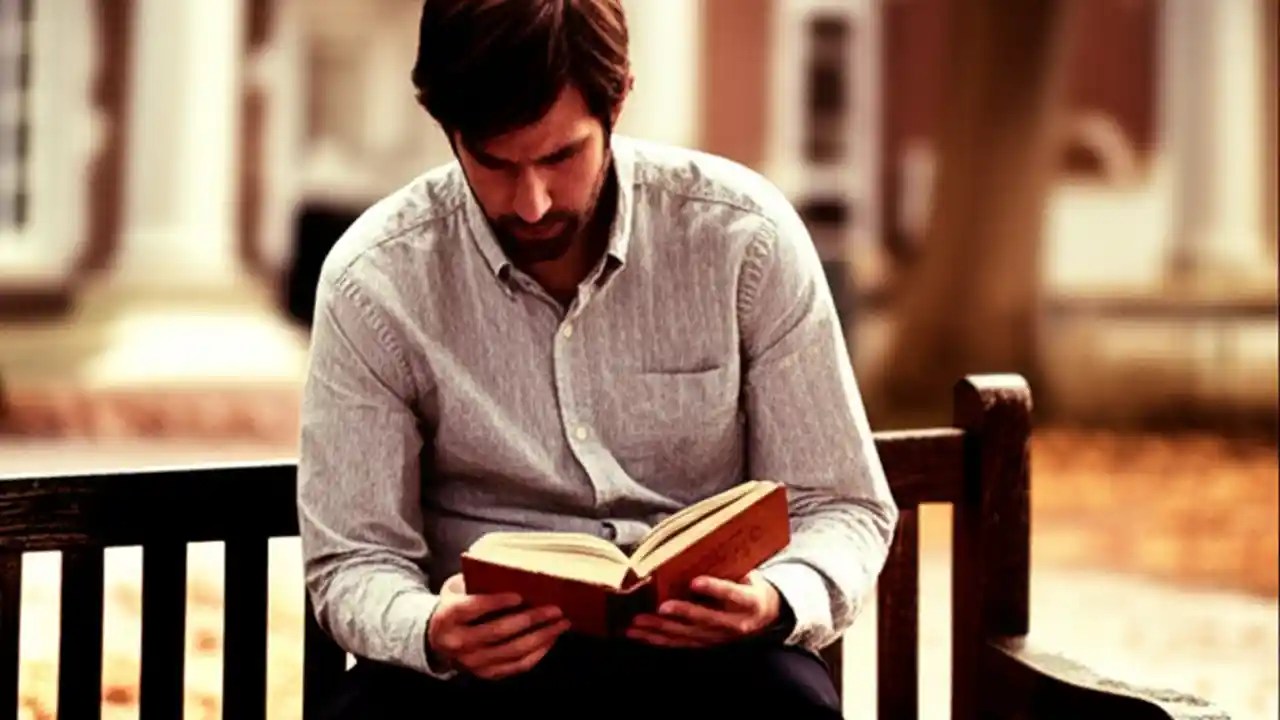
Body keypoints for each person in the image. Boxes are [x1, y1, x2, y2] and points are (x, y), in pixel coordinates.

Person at [297, 1, 898, 717]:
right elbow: (354, 558)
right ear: (447, 129)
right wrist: (427, 627)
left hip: (708, 666)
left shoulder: (745, 240)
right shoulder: (374, 281)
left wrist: (774, 597)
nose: (531, 203)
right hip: (480, 677)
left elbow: (842, 504)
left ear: (619, 101)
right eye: (493, 162)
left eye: (561, 157)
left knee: (788, 704)